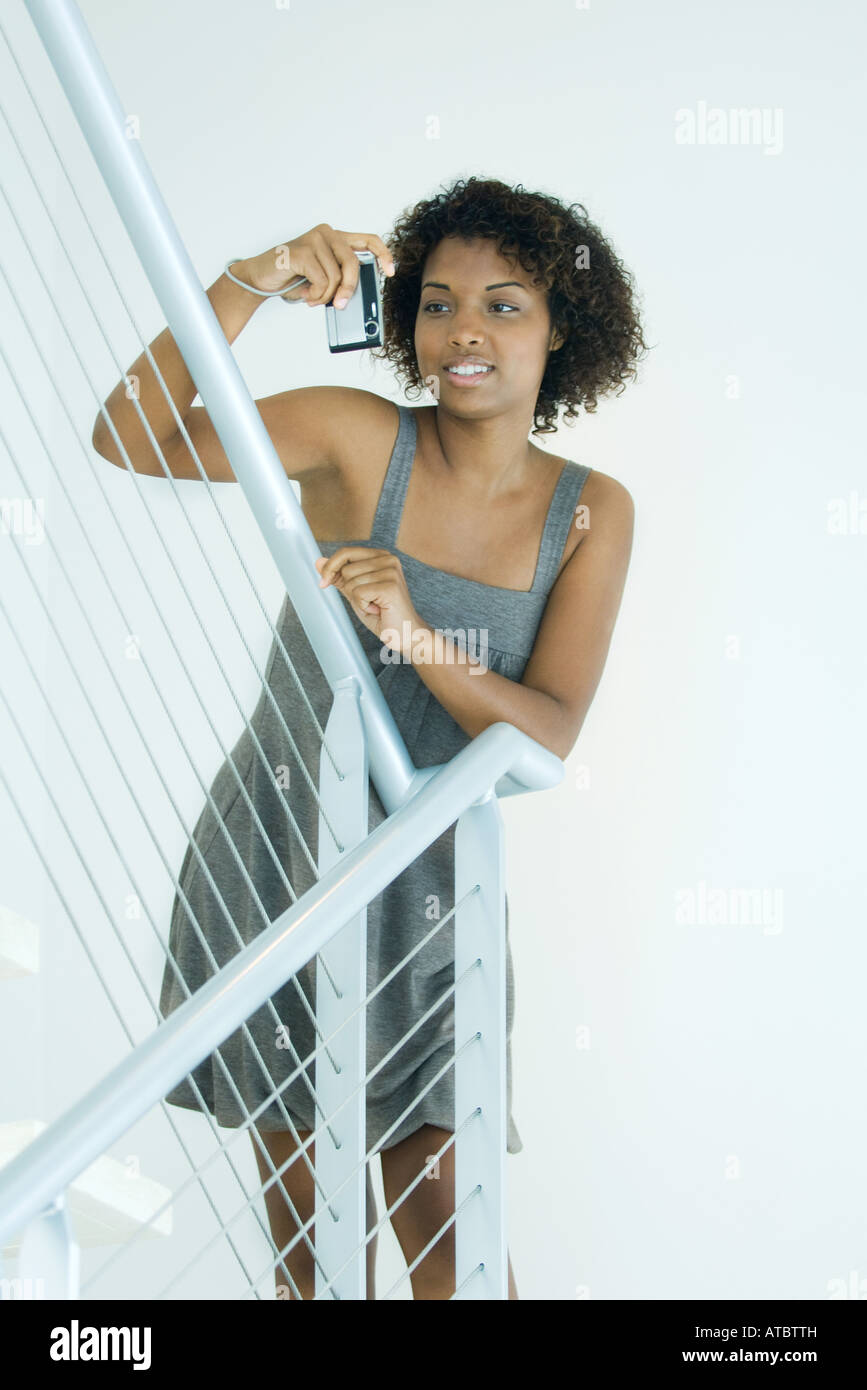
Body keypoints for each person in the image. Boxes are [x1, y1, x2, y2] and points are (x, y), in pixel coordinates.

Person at [92, 174, 645, 1300]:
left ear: (560, 327)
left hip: (434, 896)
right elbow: (129, 432)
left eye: (503, 304)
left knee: (446, 1226)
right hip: (277, 858)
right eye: (437, 304)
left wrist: (410, 625)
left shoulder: (591, 509)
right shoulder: (358, 440)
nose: (464, 333)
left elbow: (545, 735)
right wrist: (253, 281)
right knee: (314, 1245)